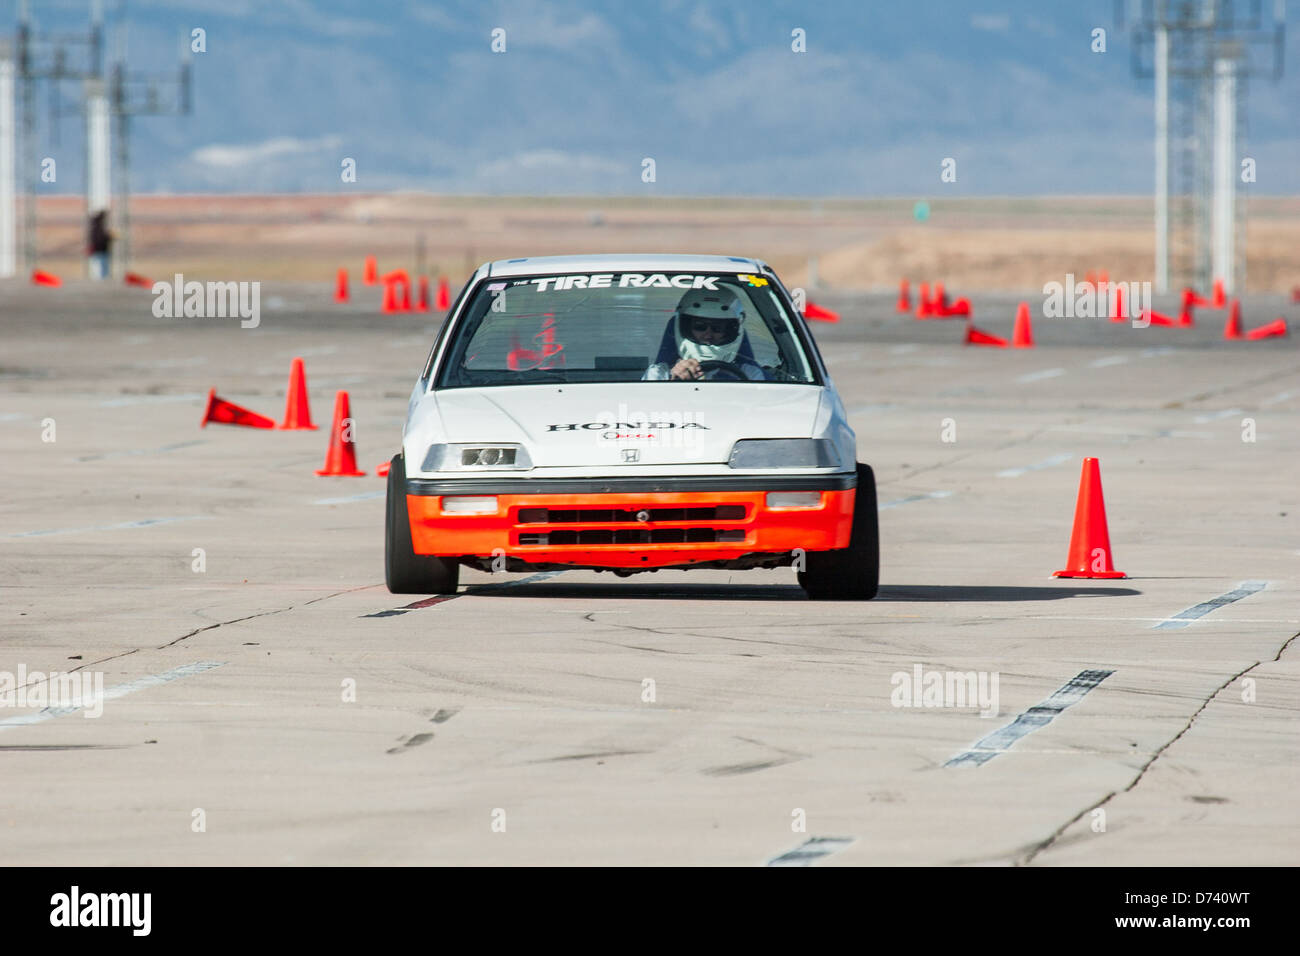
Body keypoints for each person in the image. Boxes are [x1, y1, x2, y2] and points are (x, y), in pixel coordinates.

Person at [643, 287, 768, 381]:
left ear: (731, 330)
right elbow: (645, 409)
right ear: (685, 327)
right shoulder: (659, 374)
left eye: (717, 328)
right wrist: (673, 380)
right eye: (700, 327)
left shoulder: (750, 374)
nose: (708, 335)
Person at [87, 210, 113, 280]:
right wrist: (109, 237)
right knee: (101, 268)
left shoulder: (95, 225)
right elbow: (101, 238)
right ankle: (101, 280)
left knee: (99, 266)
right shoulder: (99, 226)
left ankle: (100, 279)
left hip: (99, 249)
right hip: (100, 249)